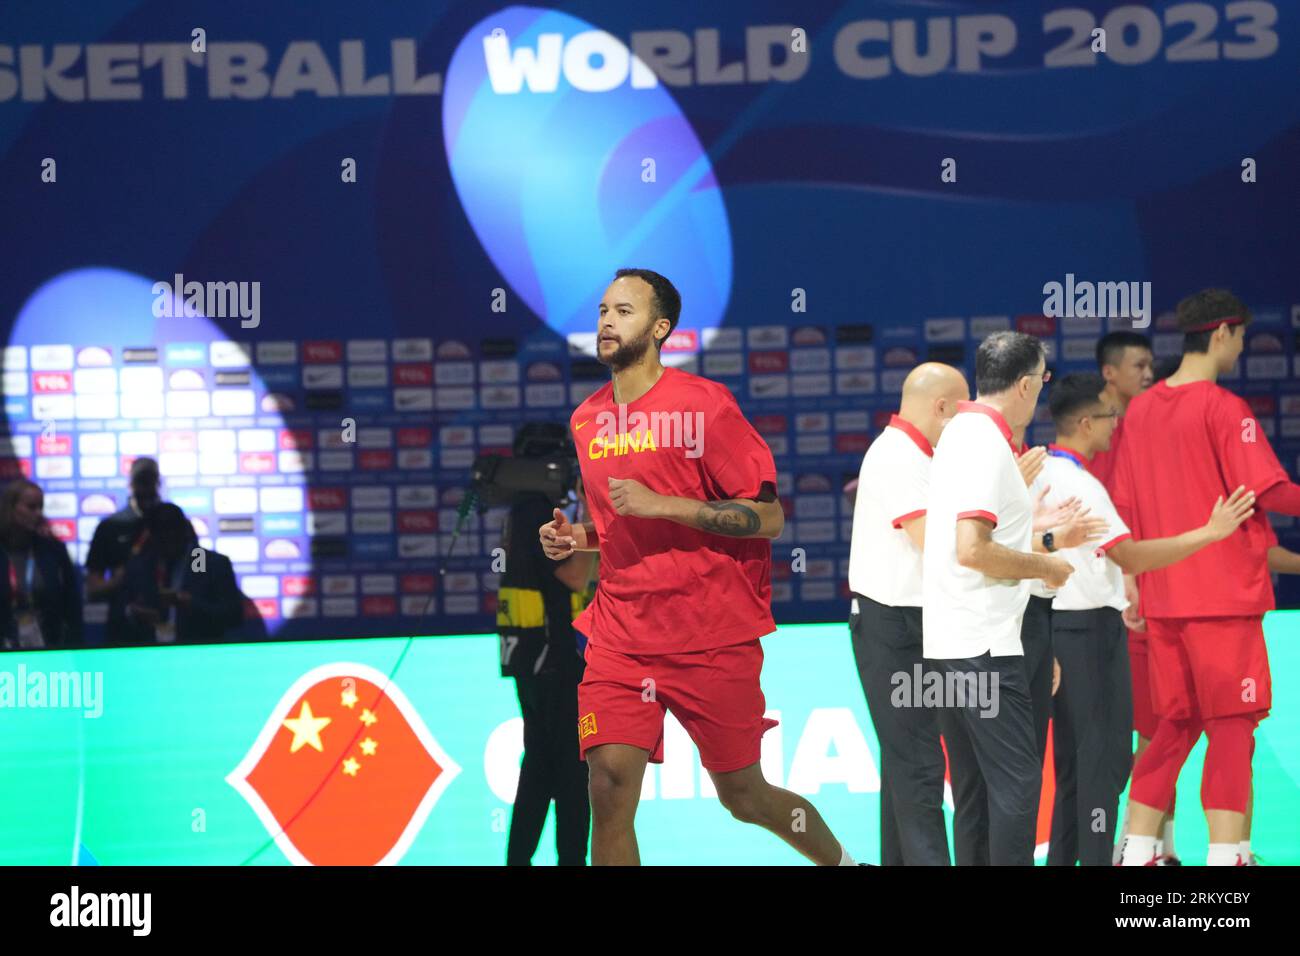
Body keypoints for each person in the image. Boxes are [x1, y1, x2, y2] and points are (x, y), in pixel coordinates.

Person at [540, 268, 860, 866]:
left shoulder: (704, 407)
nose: (608, 321)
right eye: (604, 310)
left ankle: (845, 863)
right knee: (608, 786)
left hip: (710, 634)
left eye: (625, 311)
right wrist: (578, 537)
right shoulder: (586, 420)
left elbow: (768, 519)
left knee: (744, 796)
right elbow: (621, 525)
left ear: (661, 328)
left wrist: (666, 504)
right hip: (620, 634)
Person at [1113, 289, 1300, 866]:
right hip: (1222, 601)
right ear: (1221, 334)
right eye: (1241, 337)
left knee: (1173, 726)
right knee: (1232, 726)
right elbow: (1268, 491)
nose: (1242, 349)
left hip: (1165, 599)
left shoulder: (1139, 410)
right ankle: (1227, 860)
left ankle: (1139, 850)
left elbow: (1121, 506)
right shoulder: (1223, 408)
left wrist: (1136, 583)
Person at [1041, 373, 1255, 865]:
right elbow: (1131, 557)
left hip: (1056, 629)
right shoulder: (1081, 483)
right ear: (1085, 421)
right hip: (1089, 634)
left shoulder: (1039, 471)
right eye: (1110, 416)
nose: (1117, 425)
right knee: (1104, 767)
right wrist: (1210, 532)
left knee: (1077, 768)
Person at [921, 331, 1075, 866]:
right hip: (983, 646)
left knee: (976, 793)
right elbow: (973, 549)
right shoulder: (986, 443)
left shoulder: (961, 432)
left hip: (951, 644)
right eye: (1044, 382)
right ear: (1028, 384)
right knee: (1016, 786)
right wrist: (1048, 565)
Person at [847, 362, 969, 865]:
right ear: (941, 407)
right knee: (917, 763)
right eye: (961, 412)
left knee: (906, 763)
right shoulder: (897, 455)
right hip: (892, 625)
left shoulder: (924, 455)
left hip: (913, 623)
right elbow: (935, 544)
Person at [499, 470, 598, 866]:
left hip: (539, 662)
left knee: (539, 770)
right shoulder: (539, 515)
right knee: (571, 775)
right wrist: (600, 523)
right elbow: (575, 577)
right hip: (553, 663)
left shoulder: (525, 511)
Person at [119, 503, 243, 645]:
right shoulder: (141, 564)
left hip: (197, 650)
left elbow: (233, 616)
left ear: (185, 529)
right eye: (161, 533)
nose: (169, 537)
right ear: (151, 535)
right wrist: (133, 612)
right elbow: (121, 609)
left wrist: (191, 604)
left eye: (173, 530)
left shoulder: (202, 559)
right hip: (149, 651)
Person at [85, 457, 163, 645]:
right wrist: (116, 582)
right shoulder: (110, 526)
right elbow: (92, 587)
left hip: (170, 623)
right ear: (131, 484)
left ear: (158, 483)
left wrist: (193, 586)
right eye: (141, 481)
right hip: (124, 627)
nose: (146, 487)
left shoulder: (175, 521)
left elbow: (197, 555)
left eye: (150, 480)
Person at [0, 479, 82, 650]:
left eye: (40, 507)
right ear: (10, 508)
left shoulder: (53, 550)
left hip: (48, 648)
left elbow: (72, 605)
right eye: (31, 507)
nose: (38, 513)